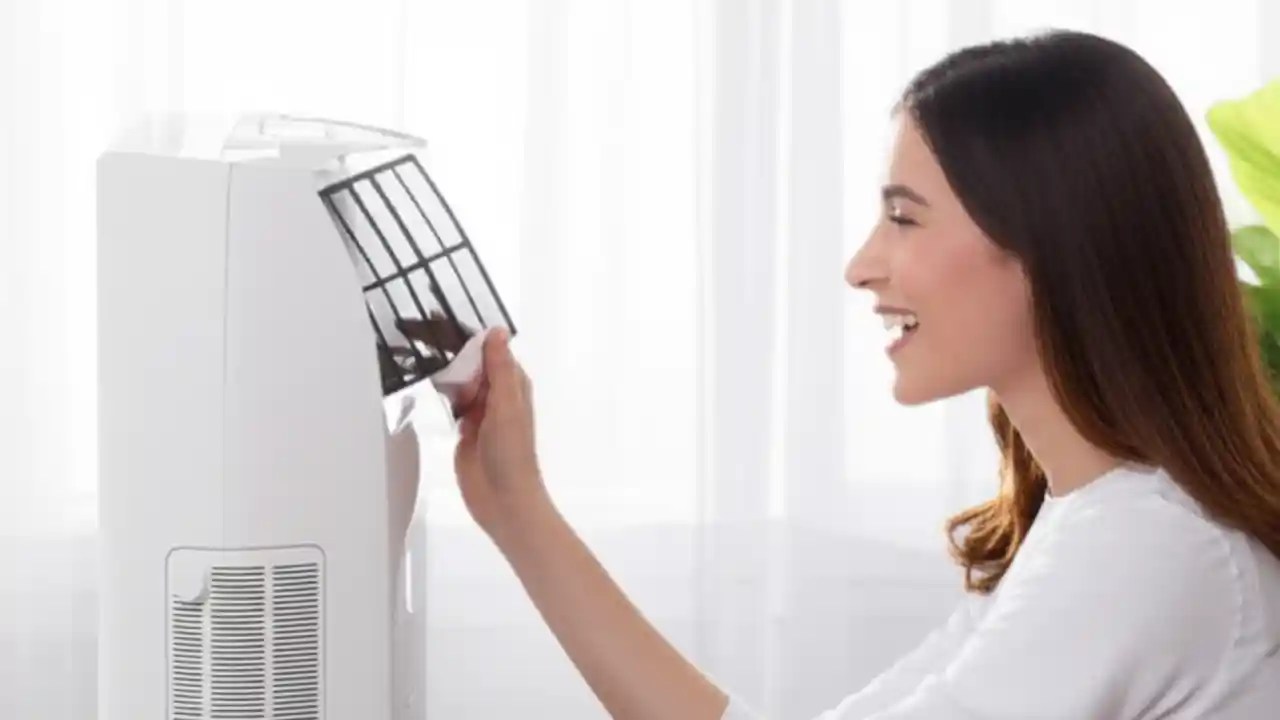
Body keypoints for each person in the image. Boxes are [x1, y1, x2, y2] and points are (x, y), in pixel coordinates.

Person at [444, 30, 1280, 719]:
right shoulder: (1104, 527)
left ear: (1050, 245)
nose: (860, 266)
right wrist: (518, 508)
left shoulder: (1144, 547)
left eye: (903, 217)